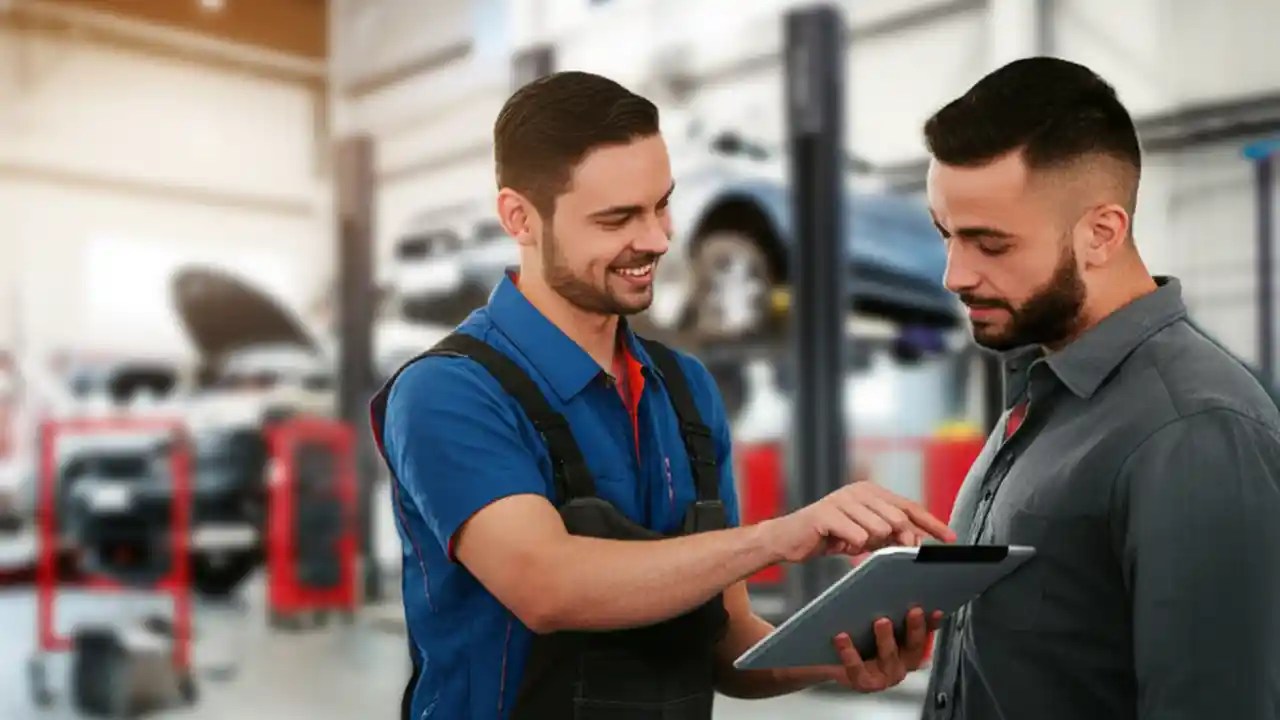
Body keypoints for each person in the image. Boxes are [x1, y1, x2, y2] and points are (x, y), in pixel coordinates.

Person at [369, 71, 957, 720]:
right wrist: (775, 538)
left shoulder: (686, 391)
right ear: (519, 218)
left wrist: (841, 653)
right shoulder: (447, 391)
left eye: (662, 205)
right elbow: (547, 585)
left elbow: (727, 644)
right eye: (618, 218)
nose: (655, 239)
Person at [920, 56, 1280, 720]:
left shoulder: (1193, 430)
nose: (955, 275)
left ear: (1101, 233)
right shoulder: (1042, 392)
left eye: (989, 245)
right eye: (945, 236)